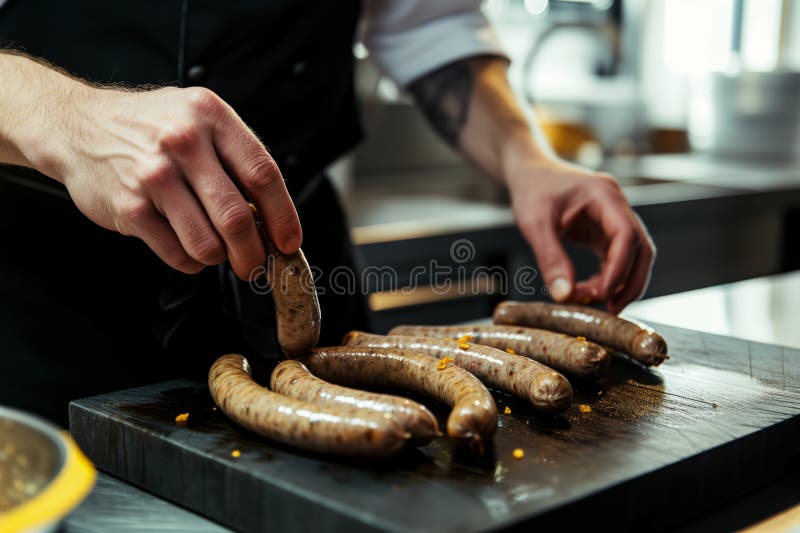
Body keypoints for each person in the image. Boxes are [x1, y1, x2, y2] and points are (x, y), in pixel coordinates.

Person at [0, 1, 654, 424]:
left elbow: (426, 23)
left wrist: (525, 158)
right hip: (41, 303)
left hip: (309, 281)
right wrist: (66, 116)